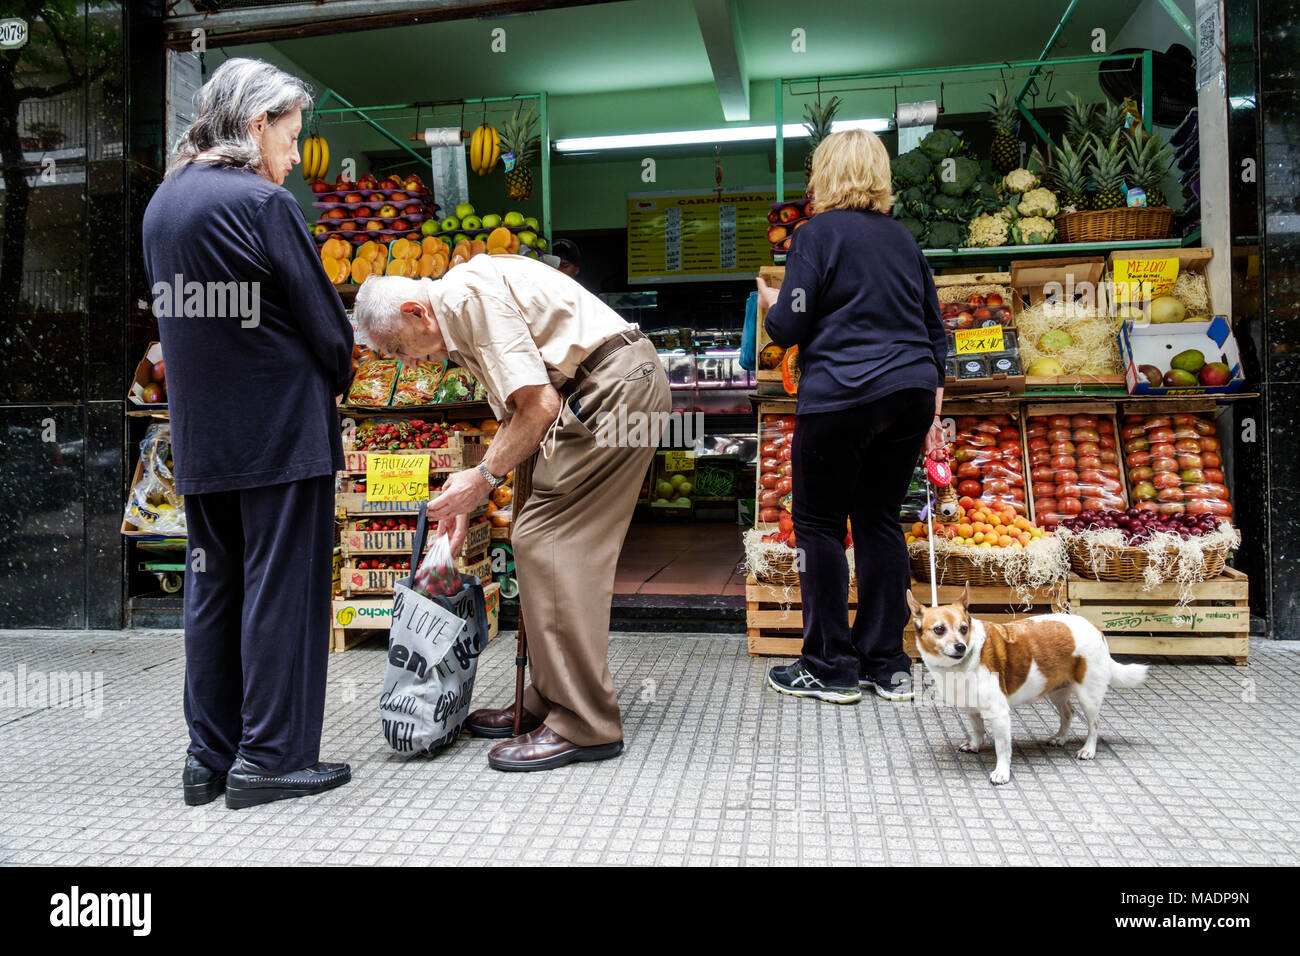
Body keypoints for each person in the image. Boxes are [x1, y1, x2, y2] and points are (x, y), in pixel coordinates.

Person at [352, 256, 670, 772]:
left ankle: (584, 723)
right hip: (601, 390)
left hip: (610, 390)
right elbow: (521, 412)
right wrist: (474, 492)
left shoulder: (464, 298)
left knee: (548, 542)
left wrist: (482, 479)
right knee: (533, 532)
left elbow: (539, 405)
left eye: (396, 349)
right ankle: (550, 700)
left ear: (416, 313)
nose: (404, 364)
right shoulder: (456, 312)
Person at [142, 58, 354, 808]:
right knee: (281, 589)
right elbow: (328, 326)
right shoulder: (263, 204)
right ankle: (271, 759)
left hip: (204, 437)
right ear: (257, 124)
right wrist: (342, 370)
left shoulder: (163, 204)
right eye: (291, 138)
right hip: (281, 433)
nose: (295, 158)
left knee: (213, 586)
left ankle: (209, 758)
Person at [756, 128, 947, 706]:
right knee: (879, 519)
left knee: (817, 526)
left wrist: (772, 306)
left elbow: (789, 326)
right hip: (910, 392)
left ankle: (829, 666)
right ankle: (886, 664)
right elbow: (937, 334)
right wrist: (932, 404)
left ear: (825, 177)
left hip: (842, 394)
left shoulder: (813, 236)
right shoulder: (904, 240)